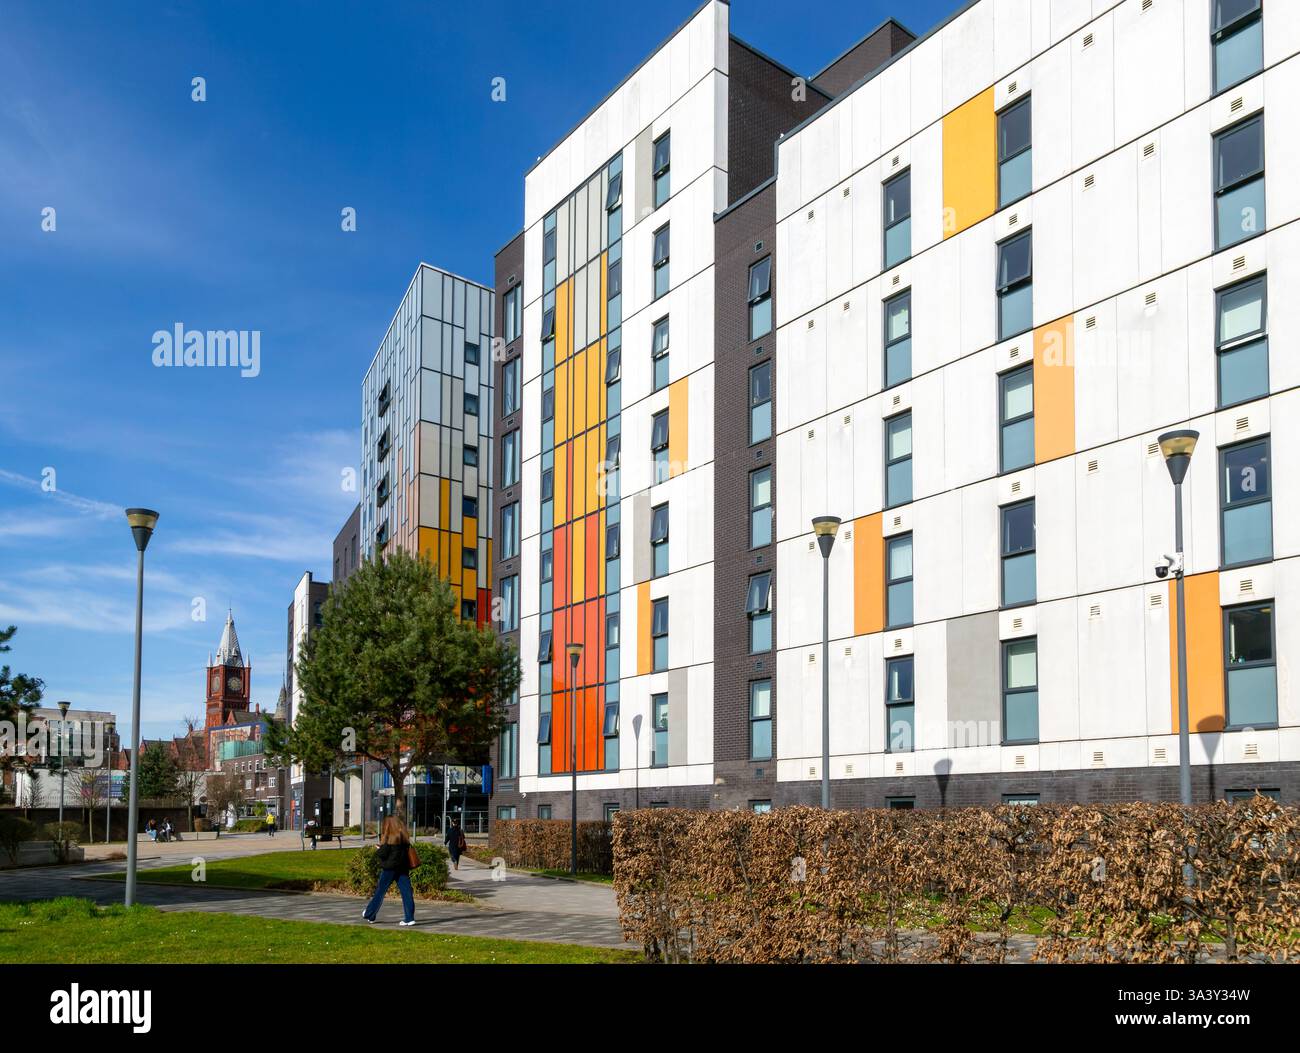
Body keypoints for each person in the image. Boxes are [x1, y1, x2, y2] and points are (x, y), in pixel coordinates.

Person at [362, 817, 416, 926]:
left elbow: (383, 853)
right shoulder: (404, 837)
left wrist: (378, 848)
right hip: (402, 868)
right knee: (407, 893)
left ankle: (369, 913)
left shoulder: (389, 837)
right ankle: (409, 918)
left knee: (380, 892)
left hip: (389, 869)